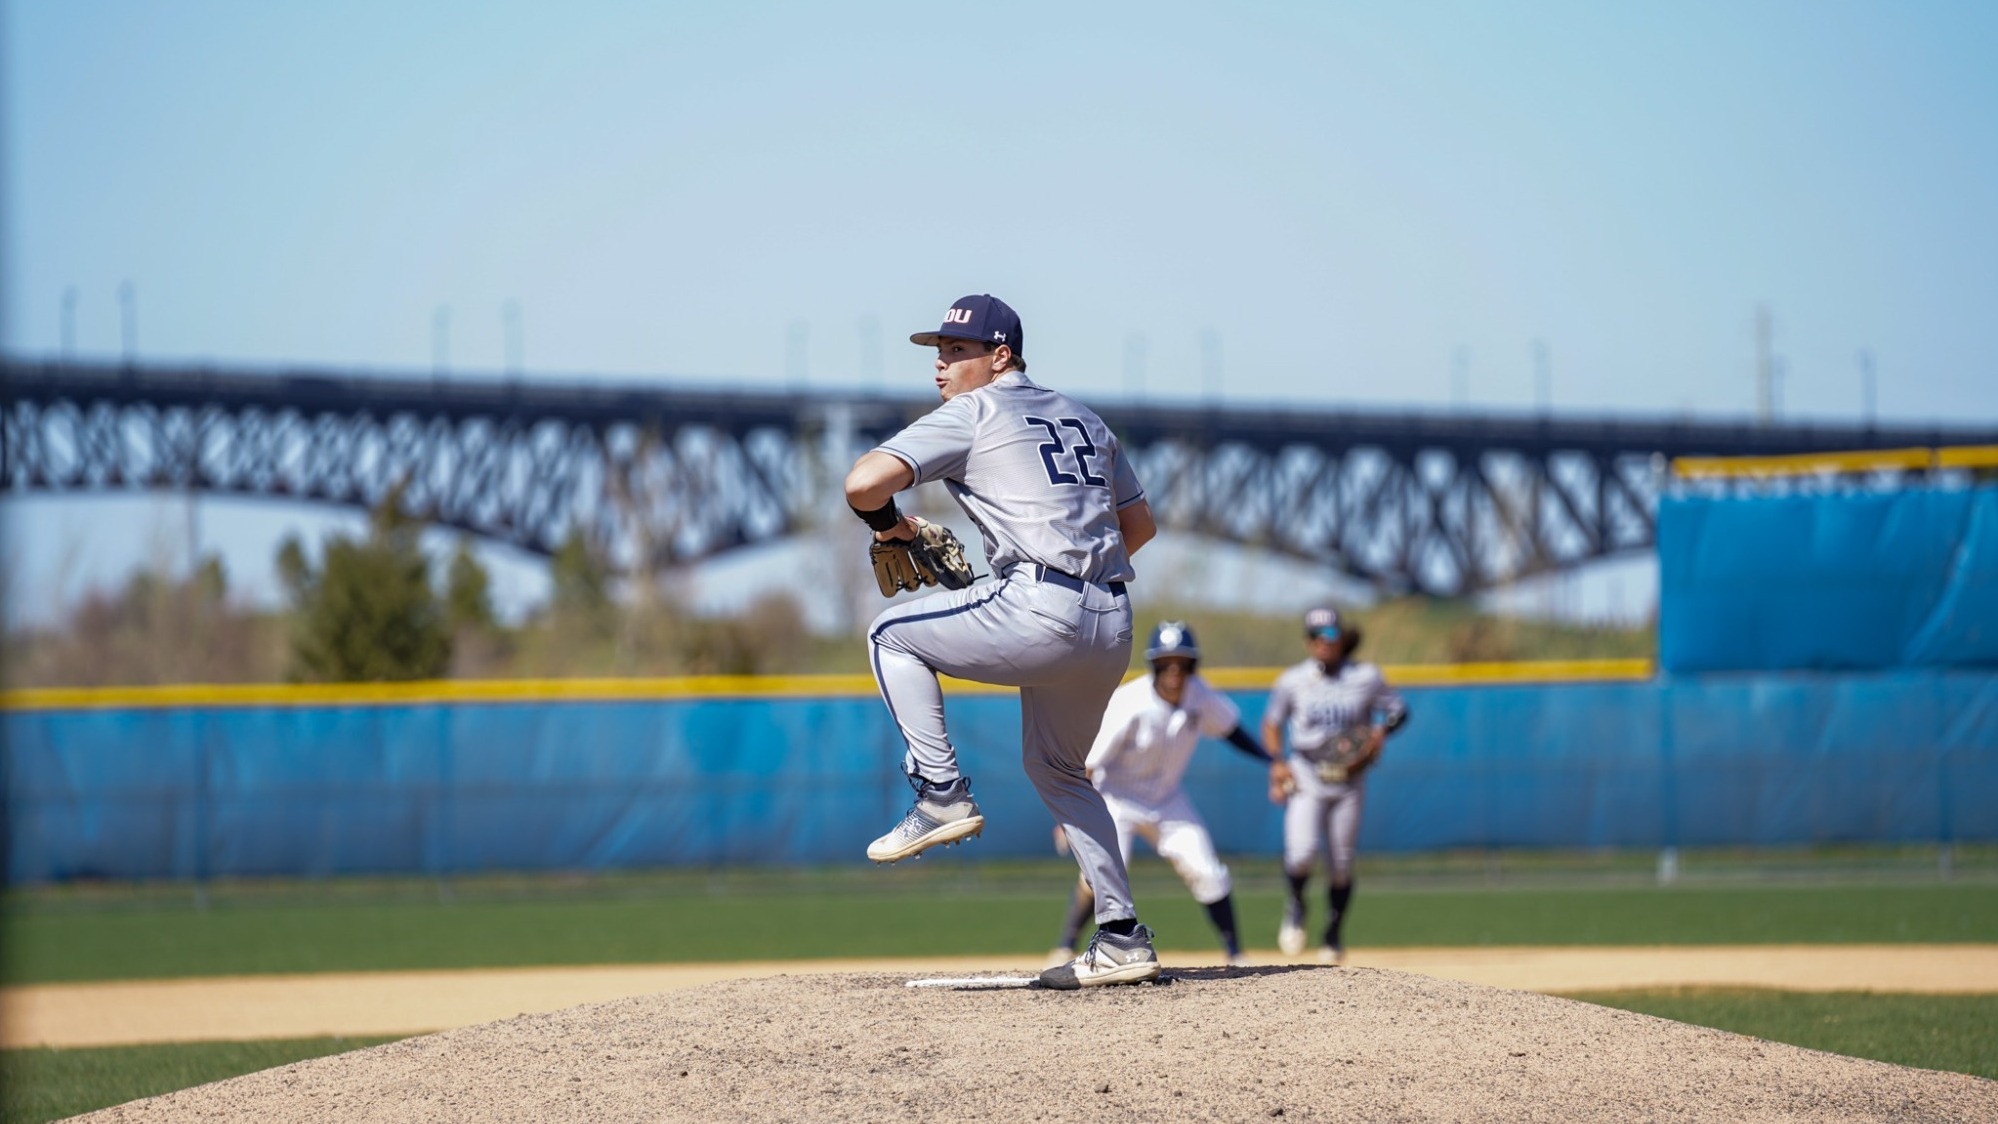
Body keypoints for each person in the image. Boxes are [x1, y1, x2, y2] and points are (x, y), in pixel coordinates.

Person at [843, 293, 1163, 989]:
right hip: (1112, 620)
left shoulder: (974, 411)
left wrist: (891, 528)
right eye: (938, 352)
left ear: (1000, 356)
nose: (941, 366)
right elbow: (1139, 527)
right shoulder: (1086, 418)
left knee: (890, 635)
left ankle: (941, 794)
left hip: (1041, 606)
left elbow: (863, 482)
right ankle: (1121, 937)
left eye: (957, 351)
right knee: (1060, 770)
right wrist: (1076, 569)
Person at [1048, 620, 1286, 967]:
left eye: (1182, 663)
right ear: (1154, 665)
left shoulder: (1199, 694)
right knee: (1103, 872)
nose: (1174, 671)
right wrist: (1071, 815)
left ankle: (1235, 953)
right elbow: (1091, 763)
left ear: (1192, 665)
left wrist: (1272, 761)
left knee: (1207, 871)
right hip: (1116, 796)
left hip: (1167, 799)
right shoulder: (1130, 701)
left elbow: (1232, 730)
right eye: (1166, 663)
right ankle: (1066, 945)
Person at [1262, 606, 1408, 963]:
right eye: (1316, 635)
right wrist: (1278, 763)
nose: (1324, 642)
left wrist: (1381, 731)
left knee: (1341, 864)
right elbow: (1271, 723)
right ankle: (1296, 904)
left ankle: (1333, 933)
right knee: (1301, 854)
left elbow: (1399, 710)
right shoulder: (1293, 680)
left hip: (1349, 779)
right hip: (1307, 772)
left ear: (1342, 638)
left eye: (1330, 635)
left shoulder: (1366, 676)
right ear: (1307, 641)